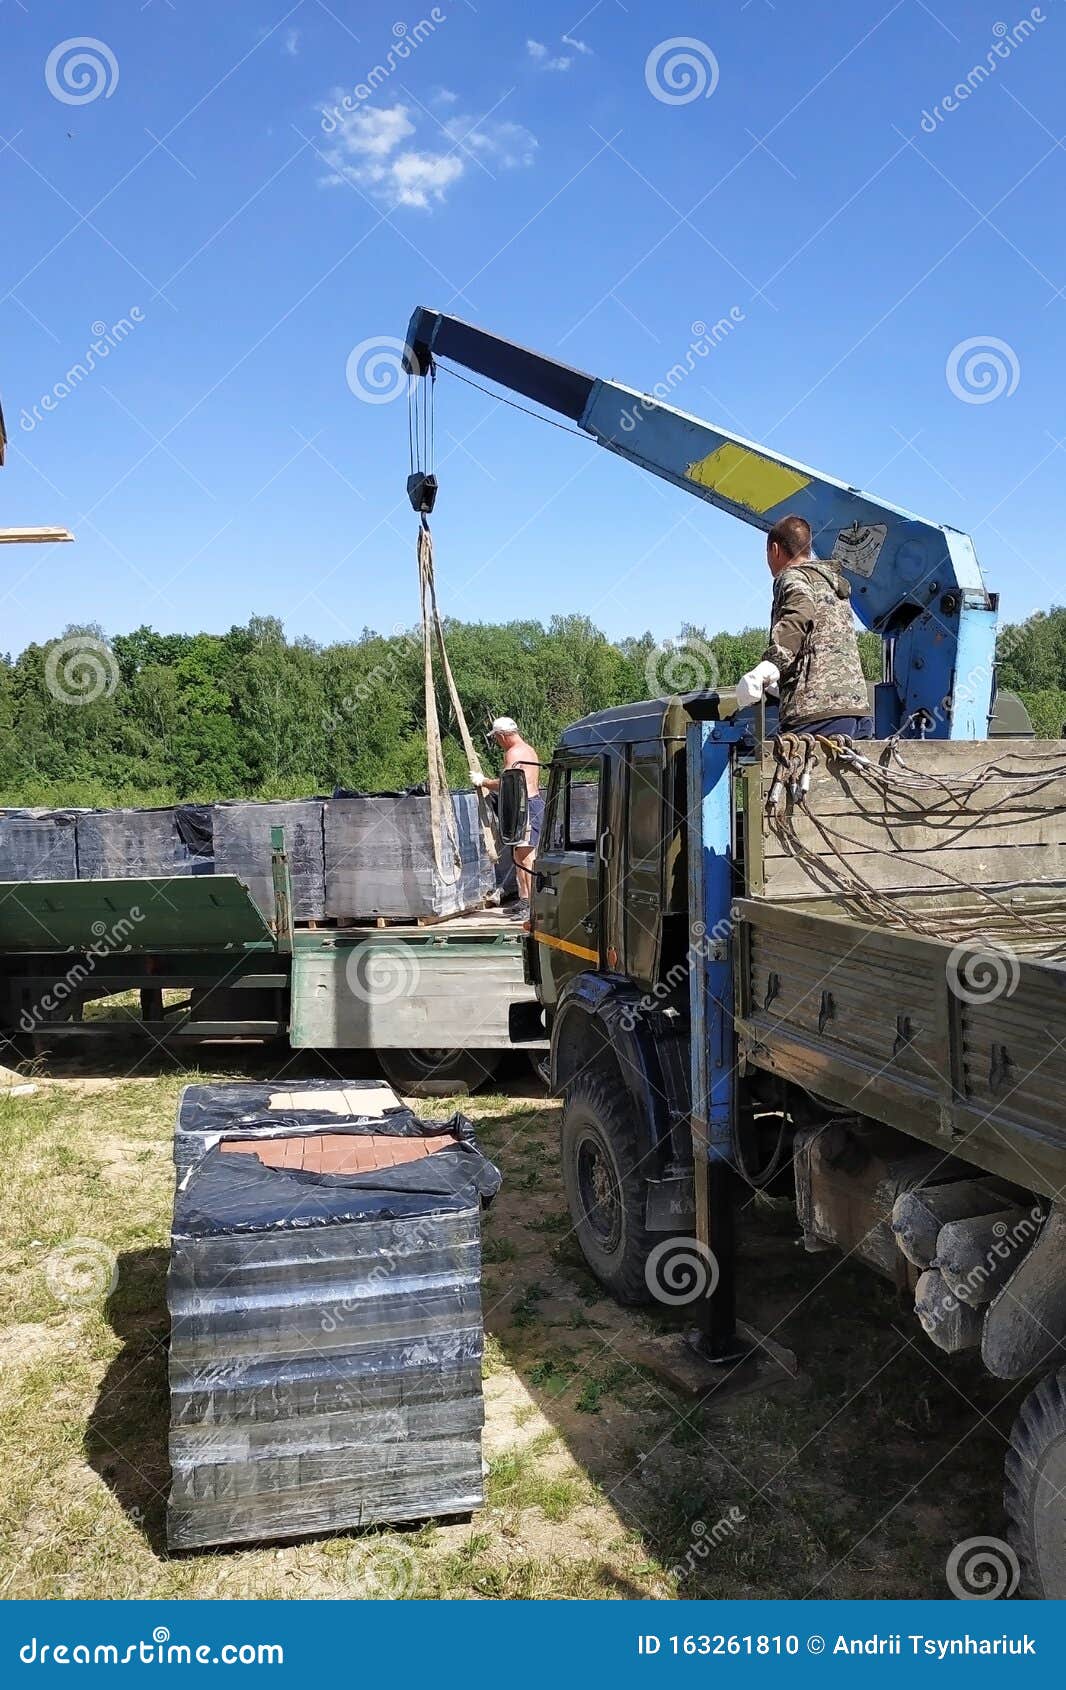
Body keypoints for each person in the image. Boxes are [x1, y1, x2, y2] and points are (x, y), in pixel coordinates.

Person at [736, 513, 873, 738]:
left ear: (775, 550)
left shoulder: (792, 578)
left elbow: (799, 612)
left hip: (815, 715)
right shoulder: (832, 585)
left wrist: (770, 666)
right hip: (856, 712)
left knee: (795, 772)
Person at [472, 716, 543, 912]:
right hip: (523, 805)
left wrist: (484, 781)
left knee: (527, 856)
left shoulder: (515, 753)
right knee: (518, 856)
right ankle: (524, 900)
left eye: (496, 738)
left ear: (503, 736)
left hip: (526, 806)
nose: (497, 742)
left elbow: (506, 782)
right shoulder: (526, 750)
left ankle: (532, 906)